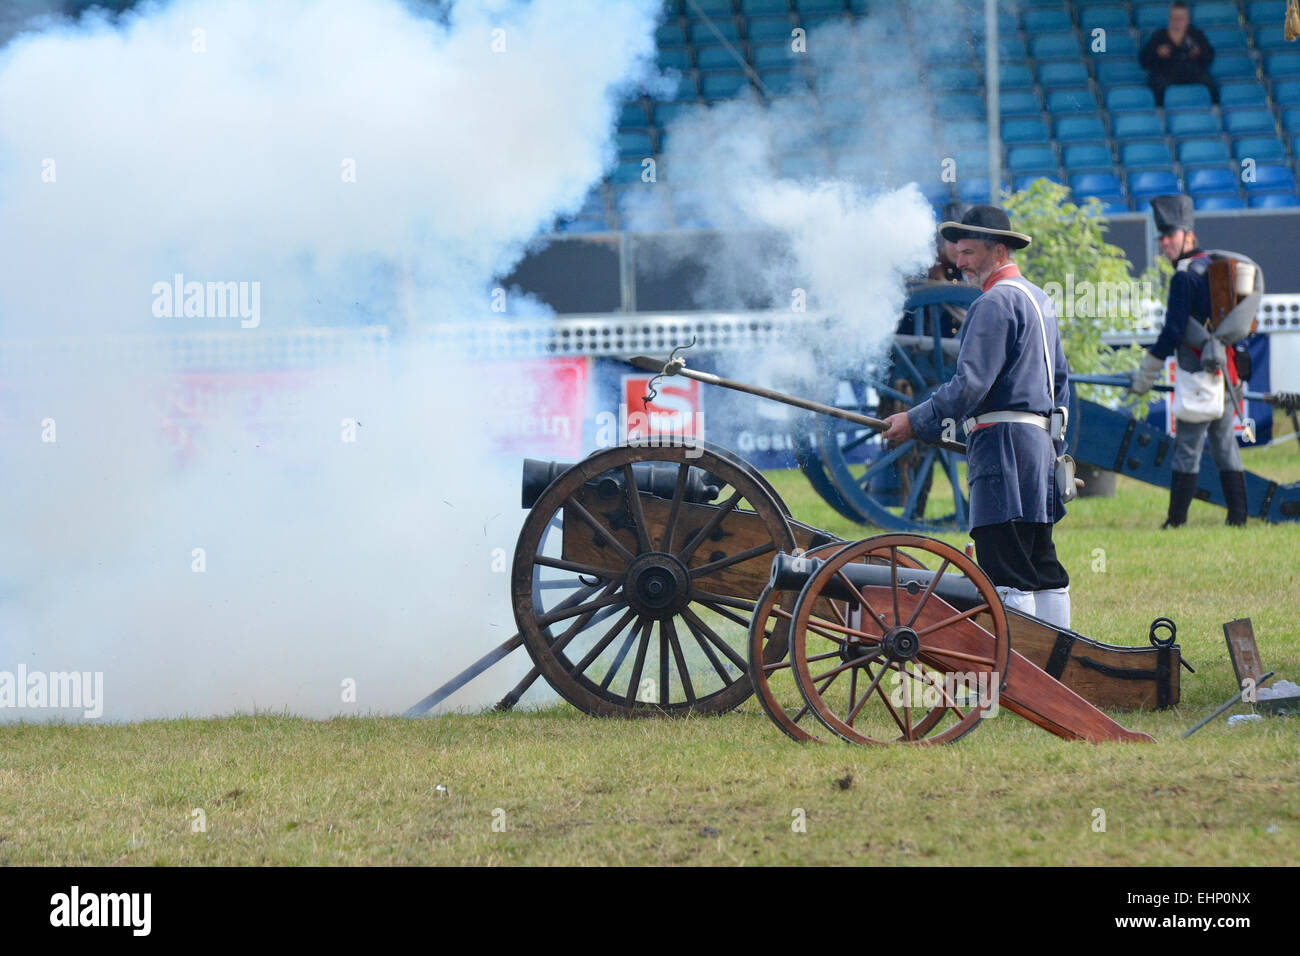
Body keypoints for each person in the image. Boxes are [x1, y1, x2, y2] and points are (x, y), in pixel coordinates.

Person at [881, 205, 1072, 628]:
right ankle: (1058, 667)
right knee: (1042, 565)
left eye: (968, 252)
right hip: (1038, 448)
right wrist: (1053, 444)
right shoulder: (1039, 299)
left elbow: (970, 385)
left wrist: (916, 419)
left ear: (998, 250)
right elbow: (1062, 382)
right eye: (957, 252)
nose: (959, 262)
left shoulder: (992, 303)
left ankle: (1023, 676)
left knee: (1006, 572)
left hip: (1002, 449)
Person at [1128, 194, 1248, 527]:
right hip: (1227, 373)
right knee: (1225, 445)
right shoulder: (1214, 265)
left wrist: (1146, 373)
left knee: (1187, 448)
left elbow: (1172, 332)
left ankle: (1175, 522)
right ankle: (1238, 519)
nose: (1165, 242)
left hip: (1198, 373)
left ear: (1188, 235)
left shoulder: (1184, 276)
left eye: (1171, 235)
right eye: (1162, 237)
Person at [1139, 1, 1217, 106]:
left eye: (1181, 18)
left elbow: (1209, 56)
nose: (1178, 21)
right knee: (1158, 86)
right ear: (1169, 18)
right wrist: (1157, 53)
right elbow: (1144, 60)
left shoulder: (1196, 35)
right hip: (1166, 74)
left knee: (1210, 84)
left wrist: (1199, 53)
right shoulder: (1159, 36)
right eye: (1175, 18)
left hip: (1192, 73)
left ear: (1187, 19)